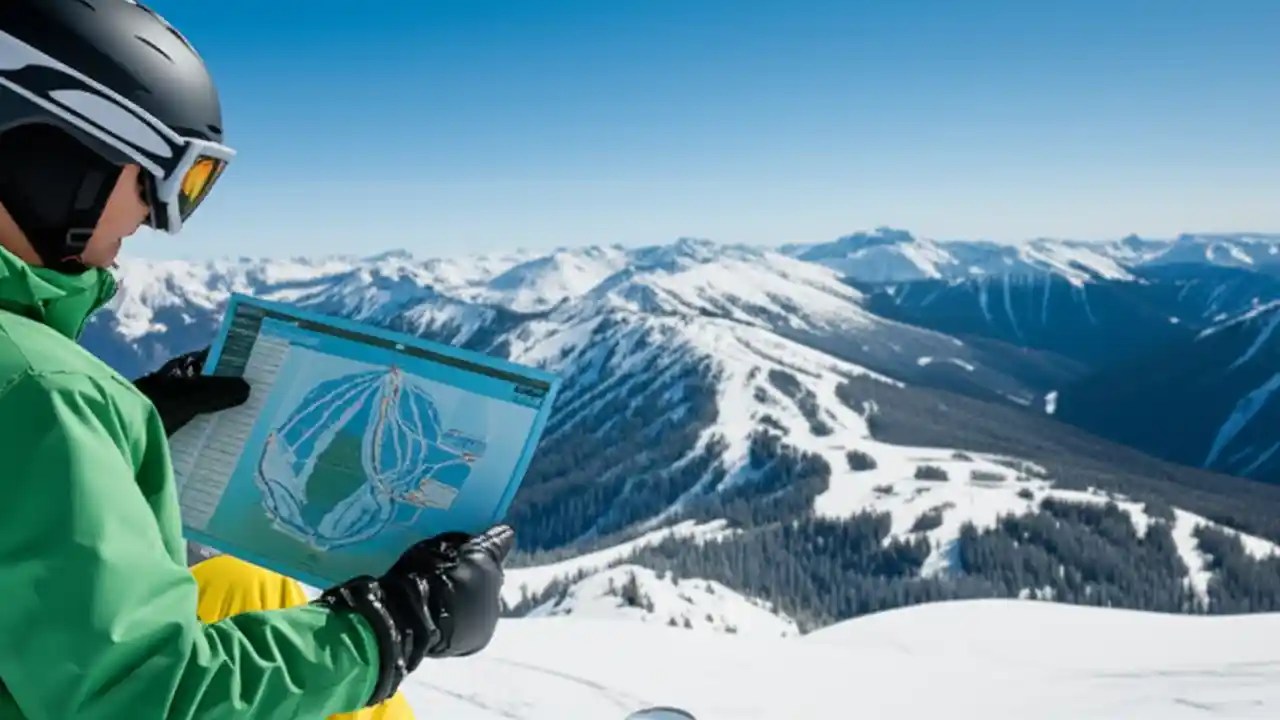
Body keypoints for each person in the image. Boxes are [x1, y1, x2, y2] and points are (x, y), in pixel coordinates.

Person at [0, 2, 515, 718]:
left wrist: (117, 439)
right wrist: (396, 624)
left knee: (246, 586)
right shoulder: (41, 387)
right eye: (157, 177)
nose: (156, 217)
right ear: (53, 159)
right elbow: (148, 700)